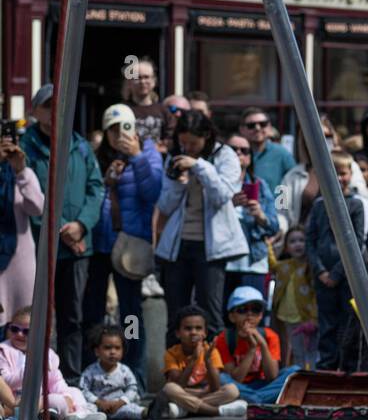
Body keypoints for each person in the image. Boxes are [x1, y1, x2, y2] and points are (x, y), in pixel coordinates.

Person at [21, 83, 104, 382]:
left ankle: (70, 376)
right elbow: (26, 196)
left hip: (78, 244)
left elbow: (97, 188)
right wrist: (58, 230)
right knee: (36, 314)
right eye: (47, 105)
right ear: (35, 110)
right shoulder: (24, 146)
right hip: (38, 243)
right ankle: (31, 376)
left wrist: (81, 225)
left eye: (59, 104)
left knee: (72, 315)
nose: (53, 111)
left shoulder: (79, 144)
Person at [84, 103, 163, 391]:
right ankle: (90, 375)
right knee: (92, 309)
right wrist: (108, 180)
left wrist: (137, 157)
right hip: (99, 243)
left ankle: (135, 376)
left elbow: (154, 191)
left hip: (129, 244)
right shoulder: (97, 157)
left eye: (125, 127)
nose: (120, 134)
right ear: (105, 132)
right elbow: (91, 194)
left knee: (130, 313)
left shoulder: (148, 152)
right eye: (113, 130)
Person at [156, 110, 247, 342]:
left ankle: (215, 373)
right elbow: (165, 205)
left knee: (211, 313)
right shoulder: (174, 156)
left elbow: (223, 195)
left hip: (212, 249)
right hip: (178, 246)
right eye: (183, 142)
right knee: (176, 315)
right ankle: (174, 372)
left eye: (193, 143)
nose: (187, 148)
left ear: (206, 136)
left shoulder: (226, 155)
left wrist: (199, 166)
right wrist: (179, 183)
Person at [0, 305, 106, 420]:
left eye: (26, 331)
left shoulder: (47, 354)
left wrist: (67, 396)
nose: (19, 334)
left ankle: (80, 414)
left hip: (39, 398)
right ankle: (61, 417)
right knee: (56, 401)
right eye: (14, 329)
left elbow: (56, 381)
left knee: (73, 391)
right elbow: (5, 381)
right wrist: (31, 369)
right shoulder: (4, 350)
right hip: (16, 399)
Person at [306, 152, 366, 369]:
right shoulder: (319, 205)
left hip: (346, 276)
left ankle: (348, 367)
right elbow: (310, 241)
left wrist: (338, 273)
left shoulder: (357, 205)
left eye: (343, 173)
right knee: (326, 324)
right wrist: (320, 270)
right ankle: (327, 366)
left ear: (350, 174)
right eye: (334, 173)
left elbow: (357, 243)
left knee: (348, 323)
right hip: (323, 276)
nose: (339, 178)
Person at [158, 305, 244, 418]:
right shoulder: (171, 353)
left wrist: (207, 361)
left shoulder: (211, 351)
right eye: (188, 328)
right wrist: (194, 359)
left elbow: (215, 387)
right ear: (178, 333)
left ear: (205, 333)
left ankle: (185, 409)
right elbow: (180, 385)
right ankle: (216, 411)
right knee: (169, 388)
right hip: (184, 393)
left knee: (232, 390)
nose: (193, 332)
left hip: (205, 393)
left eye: (198, 328)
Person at [224, 133, 279, 305]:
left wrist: (261, 216)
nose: (239, 154)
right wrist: (228, 205)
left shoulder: (260, 185)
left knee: (252, 317)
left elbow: (274, 225)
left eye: (244, 150)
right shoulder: (216, 183)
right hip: (223, 262)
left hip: (253, 262)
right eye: (233, 150)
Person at [214, 287, 295, 403]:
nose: (249, 315)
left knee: (294, 371)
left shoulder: (270, 336)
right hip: (239, 386)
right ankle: (260, 399)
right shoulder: (224, 338)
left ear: (261, 315)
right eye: (242, 310)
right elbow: (236, 379)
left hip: (264, 385)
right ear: (232, 316)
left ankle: (253, 400)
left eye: (255, 310)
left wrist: (262, 344)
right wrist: (252, 349)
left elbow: (272, 376)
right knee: (220, 377)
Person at [0, 123, 44, 331]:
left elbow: (37, 207)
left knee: (23, 327)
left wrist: (21, 171)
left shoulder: (23, 174)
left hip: (20, 261)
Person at [272, 226, 317, 368]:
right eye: (292, 241)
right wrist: (269, 244)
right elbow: (272, 263)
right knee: (296, 351)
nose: (297, 244)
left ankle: (312, 379)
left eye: (301, 240)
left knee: (311, 352)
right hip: (287, 316)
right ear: (286, 247)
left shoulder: (311, 267)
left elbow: (315, 294)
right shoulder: (284, 265)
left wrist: (314, 318)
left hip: (306, 318)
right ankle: (300, 379)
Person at [79, 324, 146, 420]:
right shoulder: (90, 371)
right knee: (87, 408)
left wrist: (121, 402)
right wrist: (98, 402)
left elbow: (133, 388)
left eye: (117, 348)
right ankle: (81, 419)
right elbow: (83, 390)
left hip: (118, 406)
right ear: (97, 351)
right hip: (98, 406)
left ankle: (147, 412)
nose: (113, 352)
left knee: (130, 409)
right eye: (107, 348)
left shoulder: (124, 370)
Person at [239, 108, 295, 194]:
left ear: (269, 127)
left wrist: (280, 207)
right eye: (251, 125)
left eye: (263, 124)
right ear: (242, 130)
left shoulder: (282, 154)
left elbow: (292, 187)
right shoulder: (234, 154)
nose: (257, 128)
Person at [120, 56, 171, 148]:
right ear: (129, 82)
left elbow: (170, 138)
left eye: (146, 77)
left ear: (154, 81)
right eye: (137, 78)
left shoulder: (163, 111)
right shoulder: (122, 111)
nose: (142, 81)